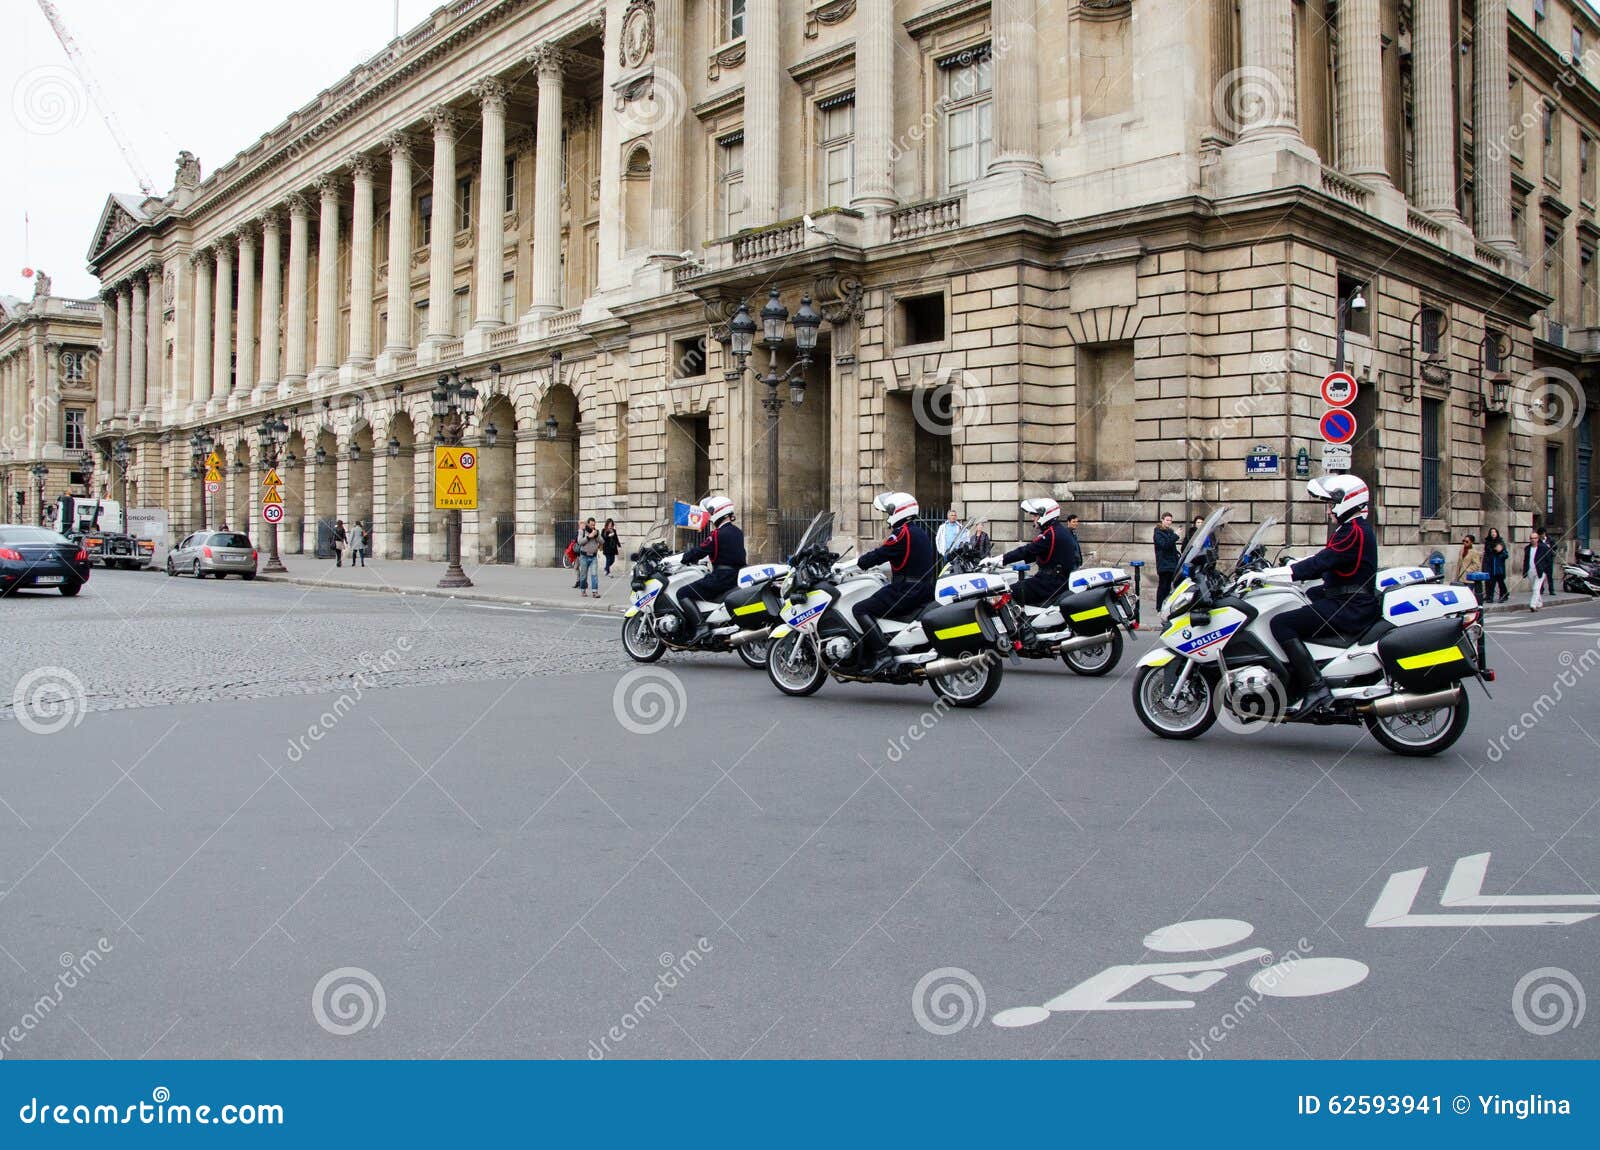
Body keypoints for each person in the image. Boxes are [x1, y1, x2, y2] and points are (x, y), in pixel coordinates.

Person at [1267, 474, 1379, 714]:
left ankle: (1316, 687)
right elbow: (1327, 557)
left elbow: (1321, 562)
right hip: (1349, 600)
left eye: (1331, 504)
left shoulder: (1352, 531)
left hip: (1349, 606)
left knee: (1280, 623)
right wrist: (1291, 564)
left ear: (1346, 500)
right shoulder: (1354, 529)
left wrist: (1269, 576)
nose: (1329, 511)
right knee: (1302, 598)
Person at [852, 492, 938, 675]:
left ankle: (883, 655)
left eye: (889, 512)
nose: (888, 516)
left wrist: (854, 564)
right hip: (924, 589)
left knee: (860, 609)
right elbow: (898, 556)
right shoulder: (919, 531)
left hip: (907, 590)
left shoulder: (901, 533)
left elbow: (879, 554)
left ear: (898, 511)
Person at [678, 495, 745, 638]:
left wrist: (684, 558)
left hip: (721, 578)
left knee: (682, 593)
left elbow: (700, 550)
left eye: (710, 513)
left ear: (717, 512)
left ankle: (701, 627)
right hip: (736, 576)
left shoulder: (717, 534)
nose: (709, 517)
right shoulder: (737, 532)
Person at [1000, 498, 1079, 611]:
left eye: (1036, 515)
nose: (1033, 518)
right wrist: (1009, 561)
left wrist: (1001, 559)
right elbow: (1033, 554)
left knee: (1006, 593)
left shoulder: (1049, 534)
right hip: (1057, 581)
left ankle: (1016, 626)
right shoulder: (1059, 531)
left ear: (1045, 514)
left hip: (1047, 584)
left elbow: (1028, 550)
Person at [1153, 512, 1180, 607]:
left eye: (1170, 520)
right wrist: (1175, 536)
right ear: (1162, 520)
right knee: (1163, 586)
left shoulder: (1170, 532)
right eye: (1167, 520)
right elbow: (1164, 545)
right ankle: (1159, 606)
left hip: (1172, 564)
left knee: (1168, 587)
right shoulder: (1158, 532)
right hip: (1164, 564)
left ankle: (1165, 605)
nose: (1169, 522)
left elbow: (1172, 549)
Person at [1482, 527, 1509, 603]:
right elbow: (1486, 554)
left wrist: (1500, 552)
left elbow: (1506, 554)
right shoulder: (1487, 543)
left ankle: (1503, 595)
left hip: (1498, 566)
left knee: (1500, 582)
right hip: (1489, 565)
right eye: (1491, 532)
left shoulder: (1501, 542)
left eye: (1494, 532)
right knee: (1490, 582)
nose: (1493, 533)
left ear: (1497, 533)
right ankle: (1489, 597)